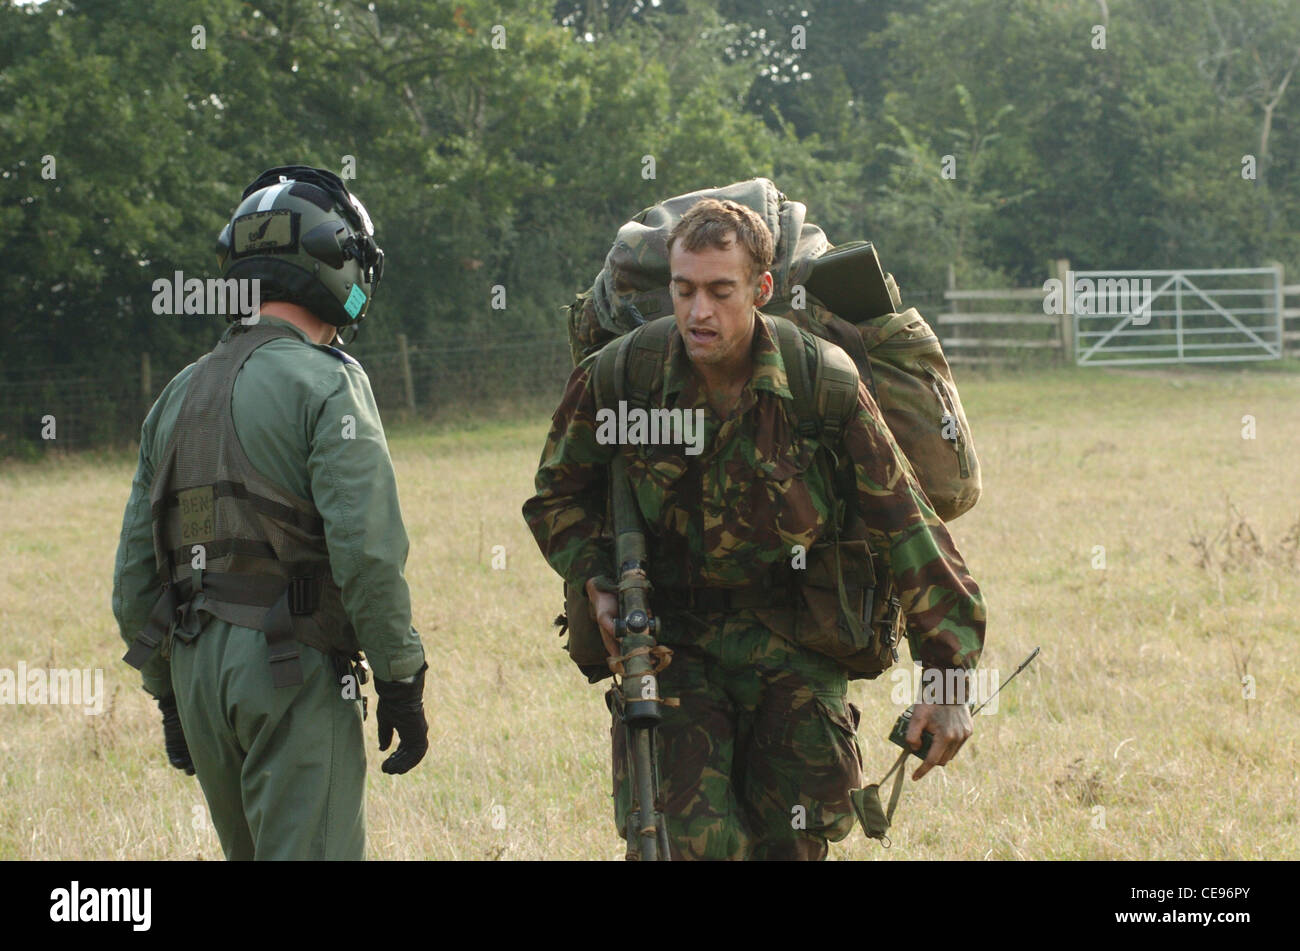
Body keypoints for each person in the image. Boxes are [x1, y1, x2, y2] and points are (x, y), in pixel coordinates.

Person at [524, 198, 986, 860]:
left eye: (720, 291)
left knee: (792, 841)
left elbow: (909, 525)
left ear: (761, 290)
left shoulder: (820, 381)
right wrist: (598, 576)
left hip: (797, 637)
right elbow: (557, 495)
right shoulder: (623, 377)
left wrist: (947, 681)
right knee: (688, 842)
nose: (698, 312)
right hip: (670, 638)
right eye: (683, 291)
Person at [113, 165, 428, 860]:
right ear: (336, 262)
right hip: (293, 664)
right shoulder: (328, 383)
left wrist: (169, 695)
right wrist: (402, 676)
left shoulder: (176, 395)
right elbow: (367, 550)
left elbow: (134, 578)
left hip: (196, 665)